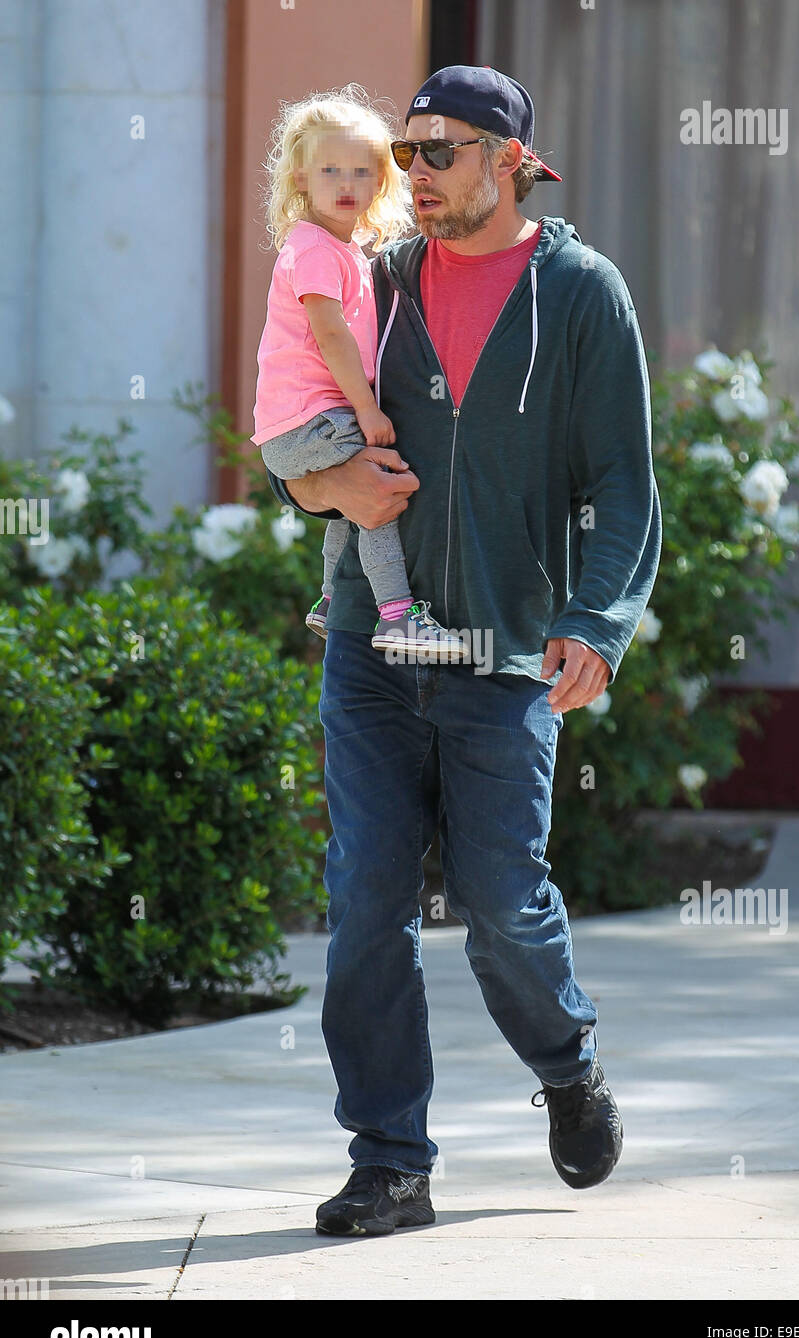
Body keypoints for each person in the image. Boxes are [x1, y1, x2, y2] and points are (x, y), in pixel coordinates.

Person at [264, 65, 662, 1238]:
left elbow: (622, 488)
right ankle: (389, 1157)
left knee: (501, 908)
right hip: (372, 649)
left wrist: (593, 623)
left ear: (508, 162)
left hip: (502, 654)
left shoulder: (581, 294)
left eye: (439, 152)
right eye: (404, 151)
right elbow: (292, 420)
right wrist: (317, 480)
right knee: (366, 904)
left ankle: (564, 1061)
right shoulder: (369, 278)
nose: (411, 175)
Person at [253, 83, 466, 659]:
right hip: (310, 420)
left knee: (352, 500)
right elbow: (331, 336)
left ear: (379, 180)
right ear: (300, 178)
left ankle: (330, 599)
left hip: (295, 425)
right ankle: (397, 615)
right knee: (376, 490)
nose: (346, 186)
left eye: (360, 171)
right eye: (329, 171)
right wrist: (367, 408)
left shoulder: (341, 250)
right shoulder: (316, 249)